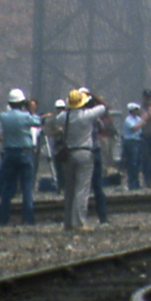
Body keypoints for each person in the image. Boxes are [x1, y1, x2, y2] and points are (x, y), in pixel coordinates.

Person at [57, 88, 108, 231]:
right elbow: (103, 107)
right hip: (85, 153)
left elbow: (55, 121)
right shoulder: (87, 115)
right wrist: (92, 95)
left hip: (68, 154)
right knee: (82, 189)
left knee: (69, 190)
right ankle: (79, 222)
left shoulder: (63, 117)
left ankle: (68, 223)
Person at [0, 88, 43, 226]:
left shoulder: (3, 116)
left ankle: (3, 219)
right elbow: (38, 121)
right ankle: (28, 219)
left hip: (9, 153)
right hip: (24, 153)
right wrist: (28, 108)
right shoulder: (26, 116)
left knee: (8, 188)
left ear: (10, 103)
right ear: (22, 102)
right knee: (27, 187)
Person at [120, 102, 144, 190]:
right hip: (130, 142)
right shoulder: (128, 120)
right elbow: (134, 128)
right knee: (132, 163)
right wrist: (143, 121)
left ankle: (136, 183)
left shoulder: (138, 119)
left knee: (138, 163)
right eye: (136, 110)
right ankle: (131, 183)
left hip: (138, 141)